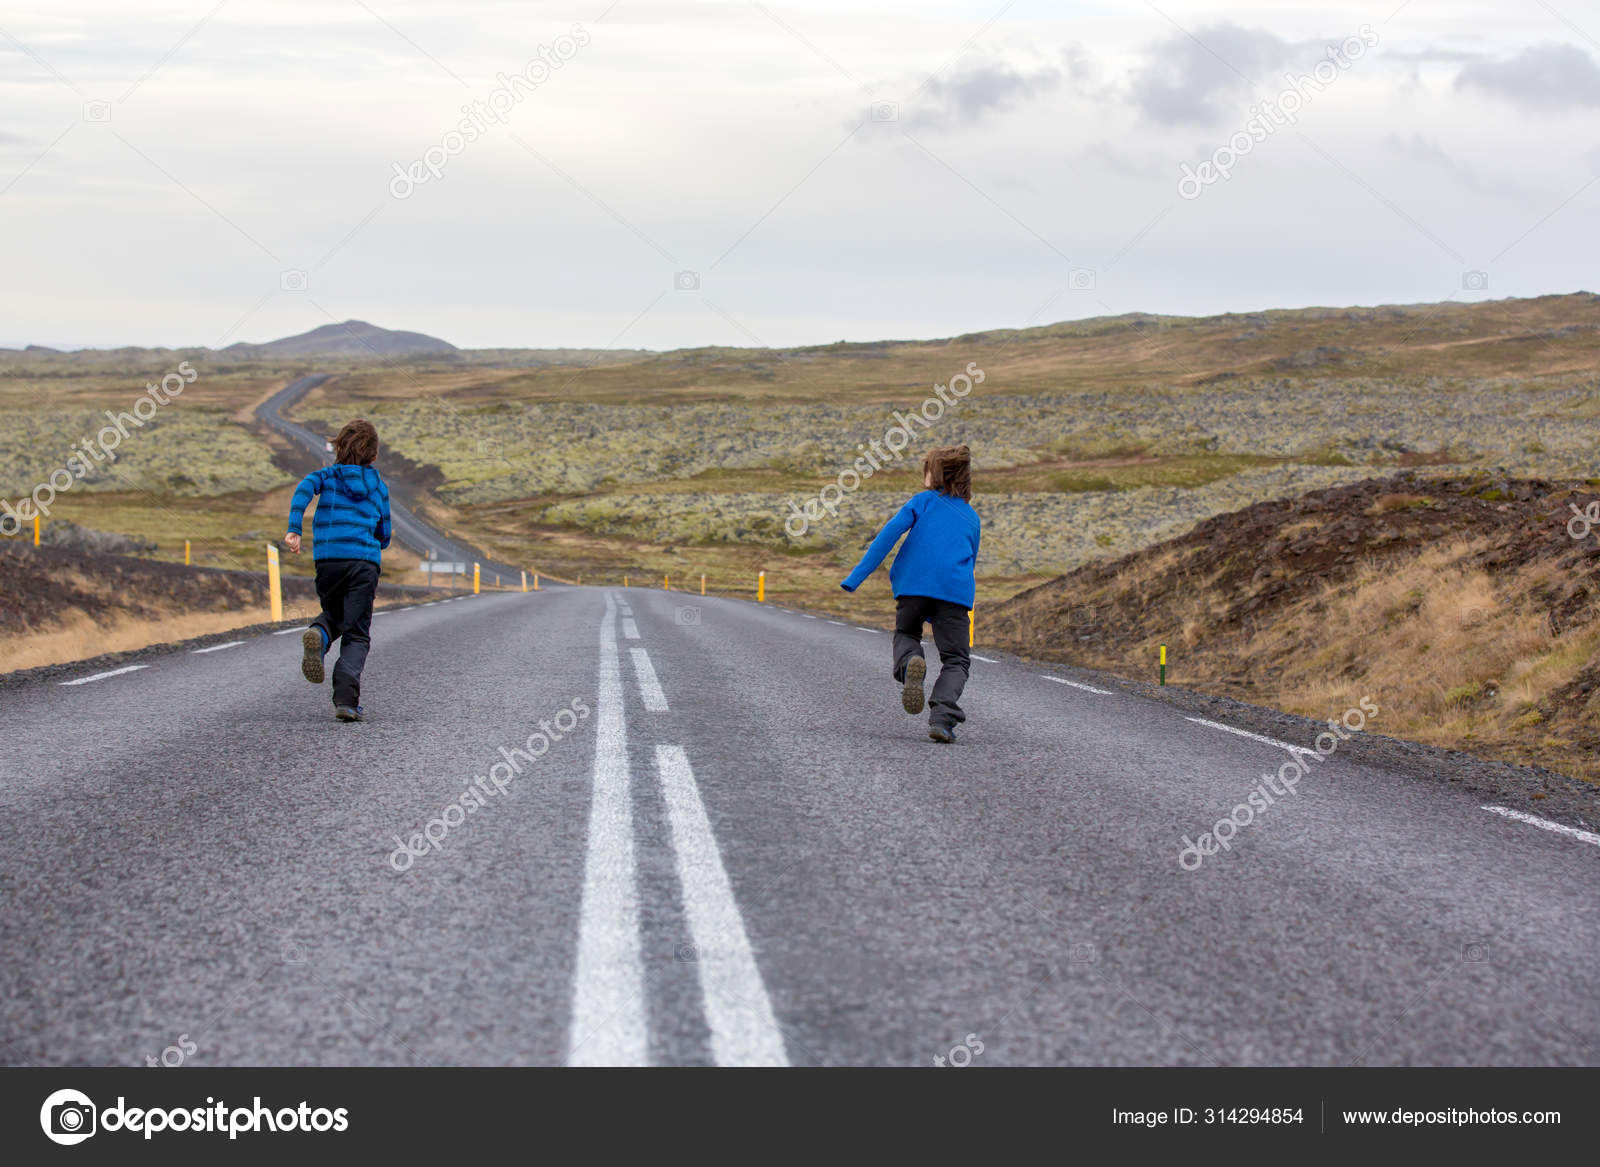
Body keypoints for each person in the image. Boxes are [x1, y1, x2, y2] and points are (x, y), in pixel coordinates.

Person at [840, 444, 980, 742]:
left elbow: (887, 536)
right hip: (954, 592)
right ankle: (942, 719)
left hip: (913, 586)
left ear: (936, 474)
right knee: (956, 660)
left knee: (907, 634)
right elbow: (972, 560)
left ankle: (909, 665)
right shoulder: (971, 518)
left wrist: (855, 578)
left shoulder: (921, 502)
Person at [284, 418, 392, 722]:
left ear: (338, 448)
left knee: (332, 612)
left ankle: (318, 633)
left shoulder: (325, 476)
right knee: (356, 633)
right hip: (363, 564)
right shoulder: (378, 487)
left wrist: (294, 528)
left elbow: (304, 489)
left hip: (328, 560)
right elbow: (385, 532)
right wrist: (375, 541)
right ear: (373, 454)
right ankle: (346, 701)